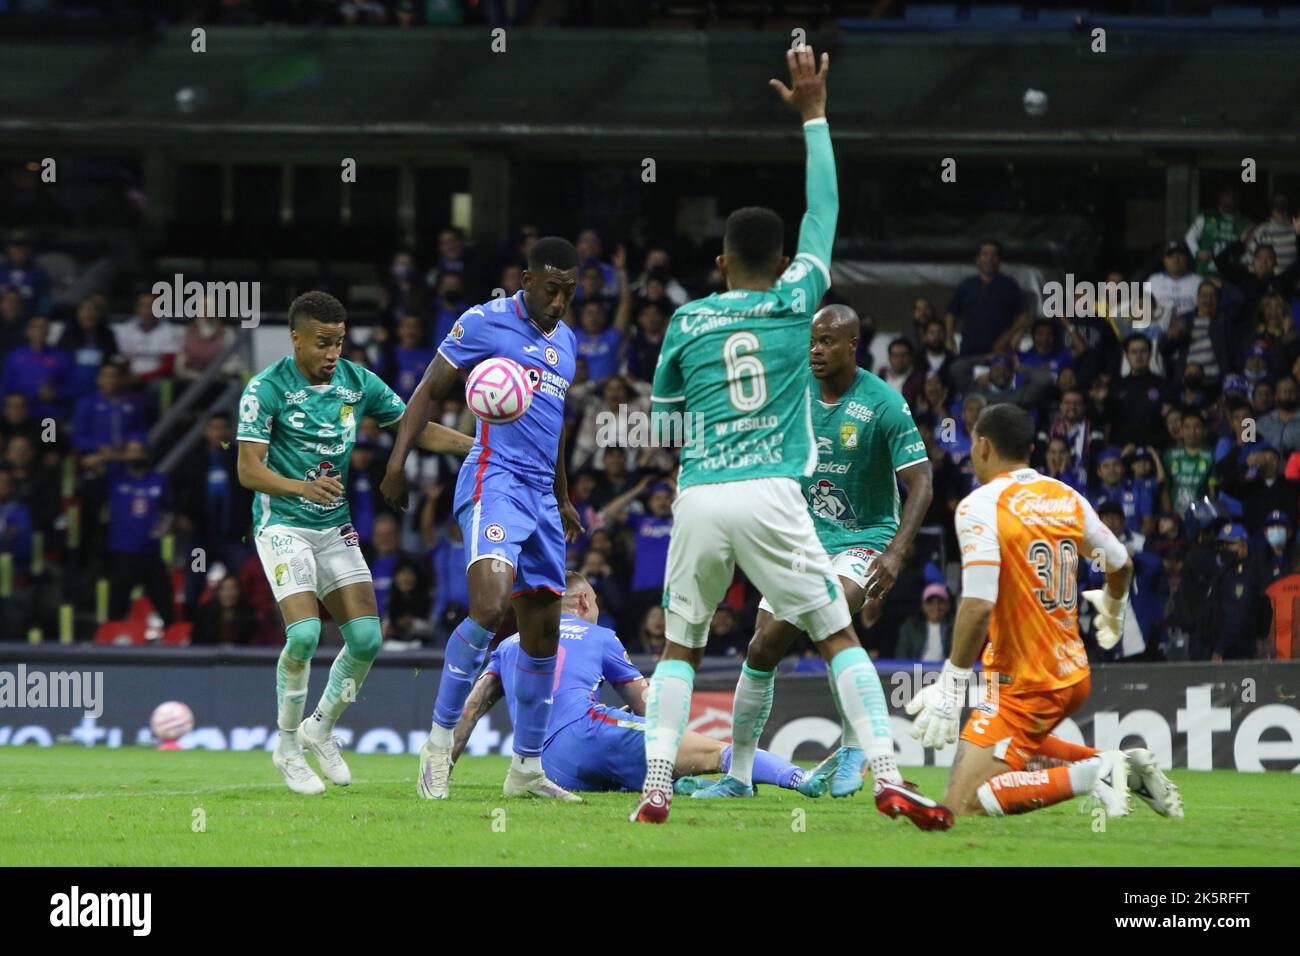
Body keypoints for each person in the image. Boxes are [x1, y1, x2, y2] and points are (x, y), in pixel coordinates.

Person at [632, 50, 948, 829]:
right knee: (837, 635)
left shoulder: (687, 318)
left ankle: (658, 786)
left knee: (680, 647)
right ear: (781, 264)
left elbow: (666, 410)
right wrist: (813, 113)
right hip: (775, 493)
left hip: (702, 492)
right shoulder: (795, 301)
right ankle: (886, 774)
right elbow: (823, 210)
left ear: (719, 262)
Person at [236, 291, 472, 796]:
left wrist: (479, 449)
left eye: (339, 342)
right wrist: (301, 486)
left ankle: (319, 728)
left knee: (366, 640)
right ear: (295, 338)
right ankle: (287, 748)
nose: (332, 354)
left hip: (334, 527)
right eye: (322, 343)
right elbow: (248, 470)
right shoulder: (265, 389)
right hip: (283, 527)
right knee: (302, 637)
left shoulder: (356, 381)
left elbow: (415, 426)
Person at [380, 236, 586, 802]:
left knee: (542, 634)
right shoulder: (483, 322)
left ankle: (525, 770)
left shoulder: (566, 342)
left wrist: (564, 497)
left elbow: (556, 423)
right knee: (491, 607)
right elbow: (426, 391)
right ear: (527, 280)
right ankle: (438, 748)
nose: (560, 302)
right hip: (495, 480)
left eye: (569, 292)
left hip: (543, 497)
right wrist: (397, 462)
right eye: (551, 289)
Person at [704, 304, 937, 804]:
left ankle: (856, 747)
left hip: (864, 538)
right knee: (763, 646)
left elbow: (922, 482)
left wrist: (896, 553)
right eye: (812, 340)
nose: (816, 349)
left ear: (853, 346)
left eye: (828, 341)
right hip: (803, 542)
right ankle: (738, 777)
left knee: (831, 612)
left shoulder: (883, 404)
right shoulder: (794, 395)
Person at [905, 403, 1182, 820]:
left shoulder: (980, 506)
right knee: (1008, 746)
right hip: (1070, 672)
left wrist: (951, 685)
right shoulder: (1065, 495)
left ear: (981, 446)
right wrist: (1113, 607)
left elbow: (978, 606)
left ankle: (1098, 774)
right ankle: (1123, 764)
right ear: (1030, 449)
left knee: (960, 803)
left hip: (1026, 680)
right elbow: (1121, 563)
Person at [450, 572, 816, 796]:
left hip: (547, 767)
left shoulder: (511, 643)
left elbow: (469, 709)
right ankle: (801, 778)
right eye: (593, 602)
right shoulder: (598, 634)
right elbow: (648, 706)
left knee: (650, 777)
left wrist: (443, 770)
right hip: (589, 734)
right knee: (715, 753)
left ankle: (687, 786)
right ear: (582, 600)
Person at [944, 239, 1027, 357]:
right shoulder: (966, 285)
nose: (989, 259)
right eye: (985, 254)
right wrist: (949, 338)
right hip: (968, 353)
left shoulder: (1009, 285)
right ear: (978, 259)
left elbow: (1024, 317)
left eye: (994, 255)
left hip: (998, 354)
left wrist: (1009, 336)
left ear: (999, 260)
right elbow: (951, 313)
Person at [894, 583, 953, 661]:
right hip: (915, 671)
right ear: (923, 605)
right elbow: (901, 655)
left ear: (948, 605)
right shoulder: (911, 626)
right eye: (930, 602)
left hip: (947, 671)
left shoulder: (956, 626)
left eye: (941, 602)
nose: (936, 607)